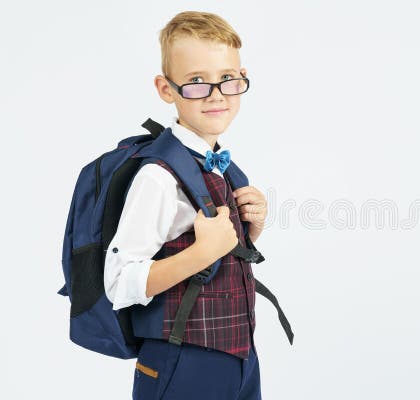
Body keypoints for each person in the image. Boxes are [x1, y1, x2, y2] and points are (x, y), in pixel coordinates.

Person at [103, 11, 268, 399]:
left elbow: (219, 258)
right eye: (196, 81)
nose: (215, 94)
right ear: (166, 89)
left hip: (240, 358)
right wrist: (203, 253)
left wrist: (249, 231)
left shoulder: (219, 164)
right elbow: (119, 282)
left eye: (227, 79)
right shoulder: (158, 177)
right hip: (182, 363)